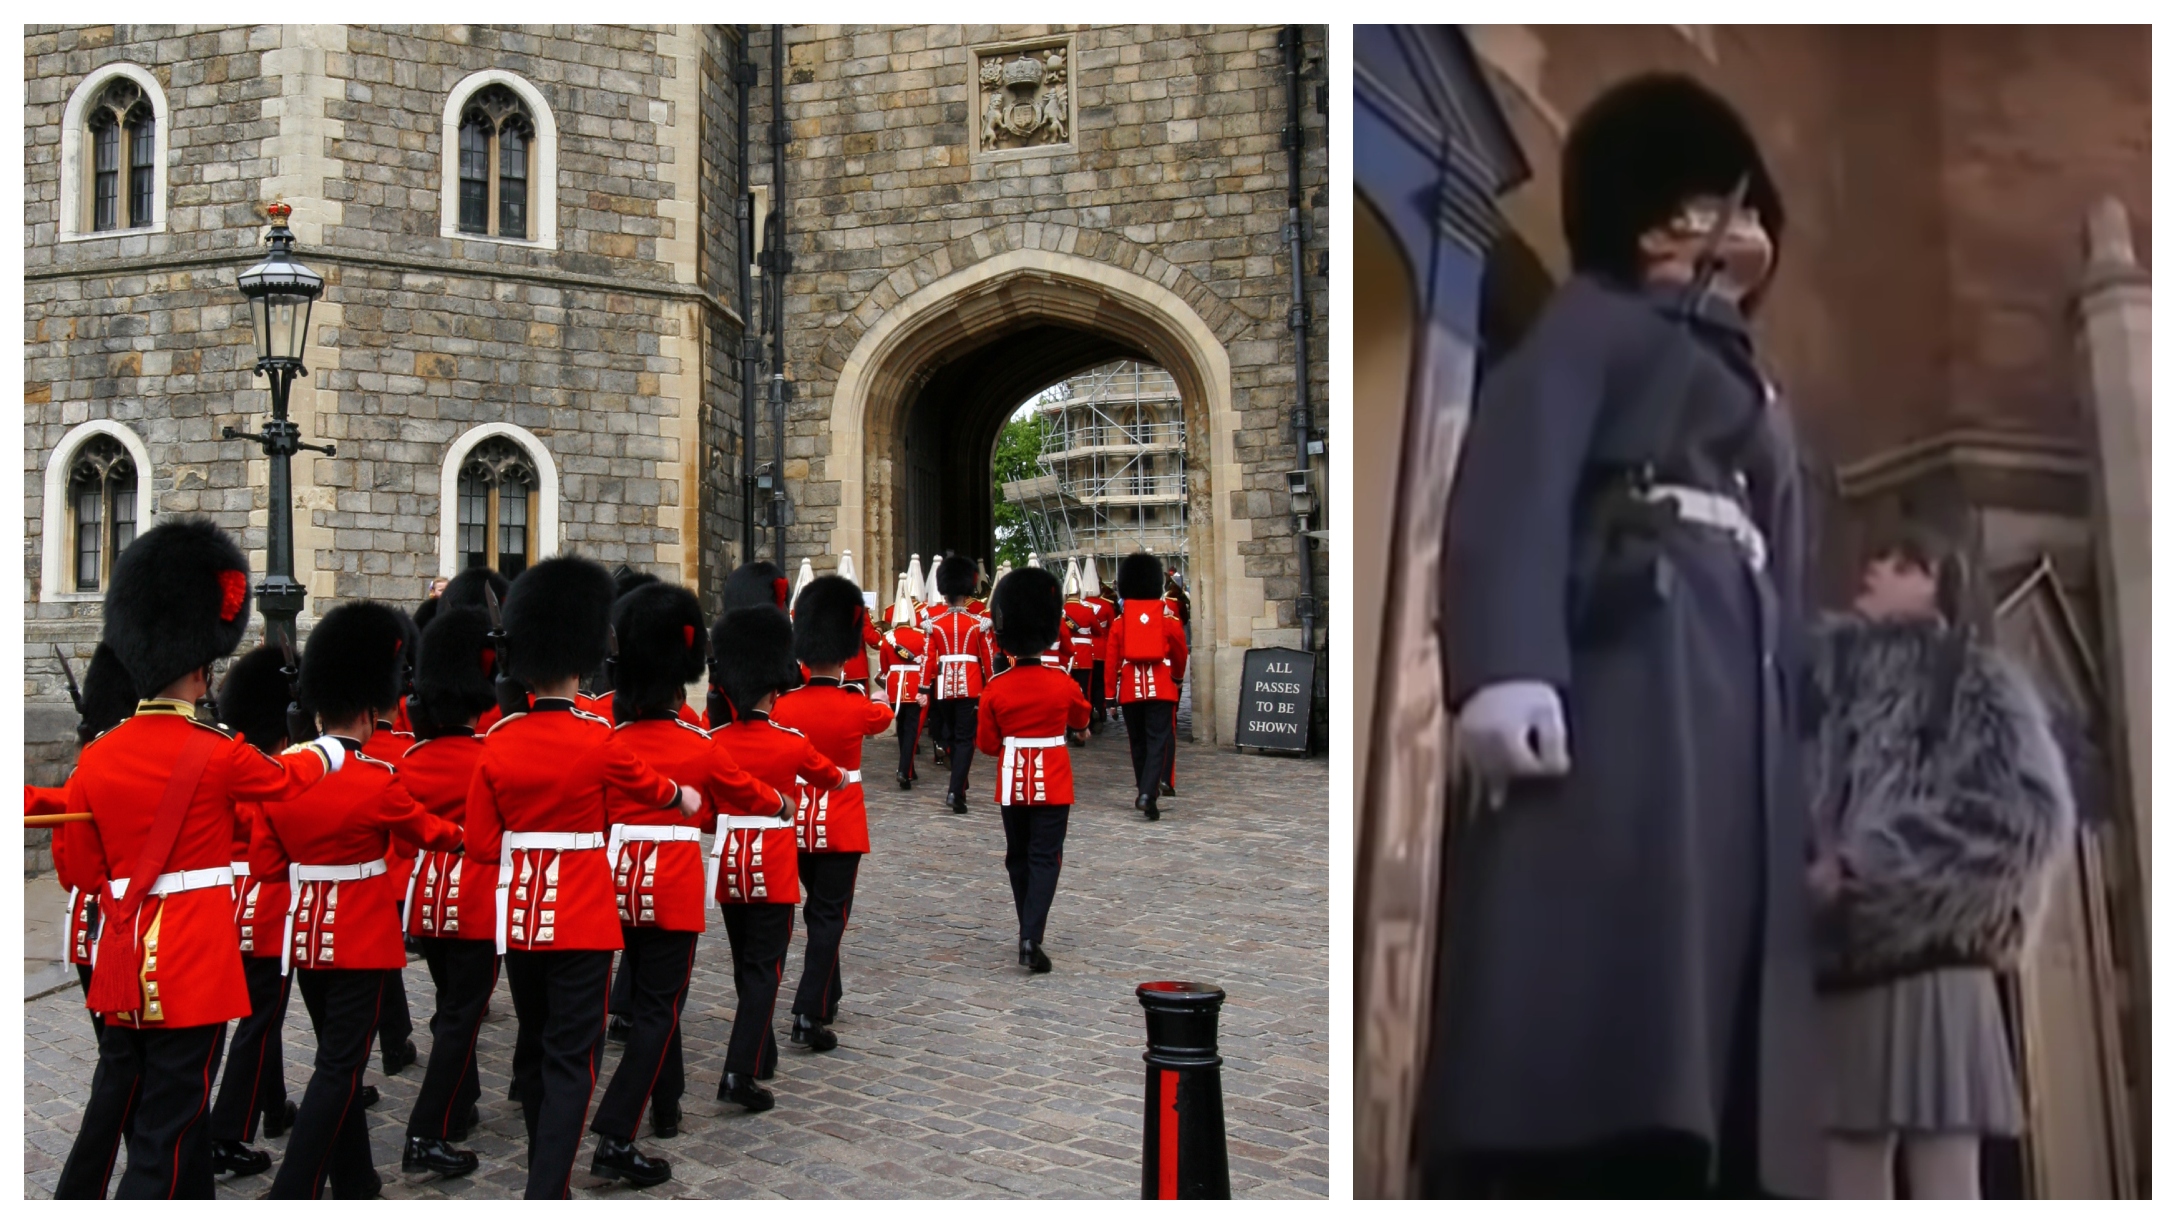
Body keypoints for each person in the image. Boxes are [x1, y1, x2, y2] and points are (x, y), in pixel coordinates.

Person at [1423, 73, 1821, 1198]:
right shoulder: (1592, 324)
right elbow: (1516, 478)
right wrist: (1506, 668)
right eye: (1699, 208)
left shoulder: (1762, 384)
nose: (1729, 233)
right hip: (1626, 654)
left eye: (1739, 211)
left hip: (1734, 681)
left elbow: (1788, 578)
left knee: (1719, 955)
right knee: (1619, 924)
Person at [55, 518, 349, 1200]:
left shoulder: (97, 757)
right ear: (200, 667)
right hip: (189, 953)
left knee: (140, 1098)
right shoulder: (217, 752)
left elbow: (76, 867)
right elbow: (285, 782)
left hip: (121, 953)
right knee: (172, 1117)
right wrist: (332, 747)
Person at [1807, 529, 2074, 1199]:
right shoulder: (1825, 678)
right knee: (1846, 1188)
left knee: (1946, 1189)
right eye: (1874, 555)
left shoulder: (1977, 680)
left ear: (1936, 581)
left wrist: (1870, 867)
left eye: (1901, 562)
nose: (1873, 569)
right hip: (1842, 967)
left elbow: (2025, 819)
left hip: (1936, 965)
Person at [463, 554, 702, 1199]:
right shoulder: (597, 737)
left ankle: (550, 1179)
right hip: (582, 917)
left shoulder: (498, 742)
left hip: (521, 918)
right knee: (574, 1058)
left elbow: (482, 848)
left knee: (539, 1049)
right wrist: (681, 797)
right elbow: (647, 785)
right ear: (580, 659)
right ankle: (546, 1191)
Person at [256, 601, 465, 1199]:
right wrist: (466, 837)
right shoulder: (375, 779)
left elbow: (271, 865)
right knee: (339, 1066)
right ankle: (292, 1191)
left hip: (306, 934)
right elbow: (427, 831)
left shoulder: (283, 772)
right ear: (371, 710)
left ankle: (355, 1177)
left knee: (333, 1058)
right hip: (360, 937)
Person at [588, 581, 788, 1182]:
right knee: (659, 1006)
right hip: (672, 883)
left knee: (650, 997)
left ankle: (667, 1104)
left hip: (617, 881)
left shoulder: (612, 741)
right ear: (679, 683)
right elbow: (743, 792)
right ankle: (617, 1133)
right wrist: (779, 804)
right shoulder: (696, 746)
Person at [709, 604, 847, 1109]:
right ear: (774, 686)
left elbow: (705, 814)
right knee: (766, 968)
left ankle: (761, 1051)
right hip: (772, 865)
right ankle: (739, 1073)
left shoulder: (715, 740)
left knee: (745, 965)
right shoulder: (789, 743)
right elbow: (830, 777)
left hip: (727, 865)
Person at [395, 606, 502, 1178]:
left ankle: (460, 1105)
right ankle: (427, 1128)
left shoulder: (412, 760)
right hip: (477, 901)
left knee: (450, 1005)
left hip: (426, 900)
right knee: (463, 1012)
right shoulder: (488, 757)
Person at [774, 576, 895, 1051]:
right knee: (829, 916)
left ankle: (830, 993)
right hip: (841, 825)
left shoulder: (784, 706)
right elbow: (885, 716)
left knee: (821, 912)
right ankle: (808, 1012)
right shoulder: (855, 706)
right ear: (844, 653)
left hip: (795, 825)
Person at [205, 646, 304, 1178]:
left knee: (246, 1017)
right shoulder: (271, 772)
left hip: (223, 899)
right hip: (266, 902)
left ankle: (272, 1104)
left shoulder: (227, 761)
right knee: (259, 1019)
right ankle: (226, 1132)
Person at [976, 567, 1092, 973]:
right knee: (1045, 858)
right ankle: (1031, 936)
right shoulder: (1062, 682)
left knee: (1018, 857)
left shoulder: (996, 687)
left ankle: (1026, 929)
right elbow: (1081, 720)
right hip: (1054, 781)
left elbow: (988, 745)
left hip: (1012, 783)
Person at [1107, 553, 1188, 820]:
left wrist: (1109, 697)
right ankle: (1146, 794)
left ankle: (1146, 791)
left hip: (1130, 688)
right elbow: (1180, 653)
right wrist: (1177, 679)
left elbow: (1111, 660)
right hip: (1161, 688)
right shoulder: (1168, 620)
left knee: (1138, 743)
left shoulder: (1120, 623)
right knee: (1158, 741)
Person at [921, 555, 994, 814]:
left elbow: (928, 660)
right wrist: (993, 685)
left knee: (951, 737)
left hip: (943, 689)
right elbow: (987, 661)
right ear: (966, 592)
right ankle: (955, 791)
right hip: (971, 686)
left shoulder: (934, 625)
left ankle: (959, 781)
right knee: (965, 740)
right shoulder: (979, 624)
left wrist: (922, 689)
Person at [878, 573, 929, 789]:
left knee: (901, 728)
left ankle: (907, 768)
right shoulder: (922, 637)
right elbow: (927, 662)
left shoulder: (888, 639)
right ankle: (903, 769)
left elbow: (884, 667)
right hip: (915, 685)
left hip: (895, 688)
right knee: (911, 730)